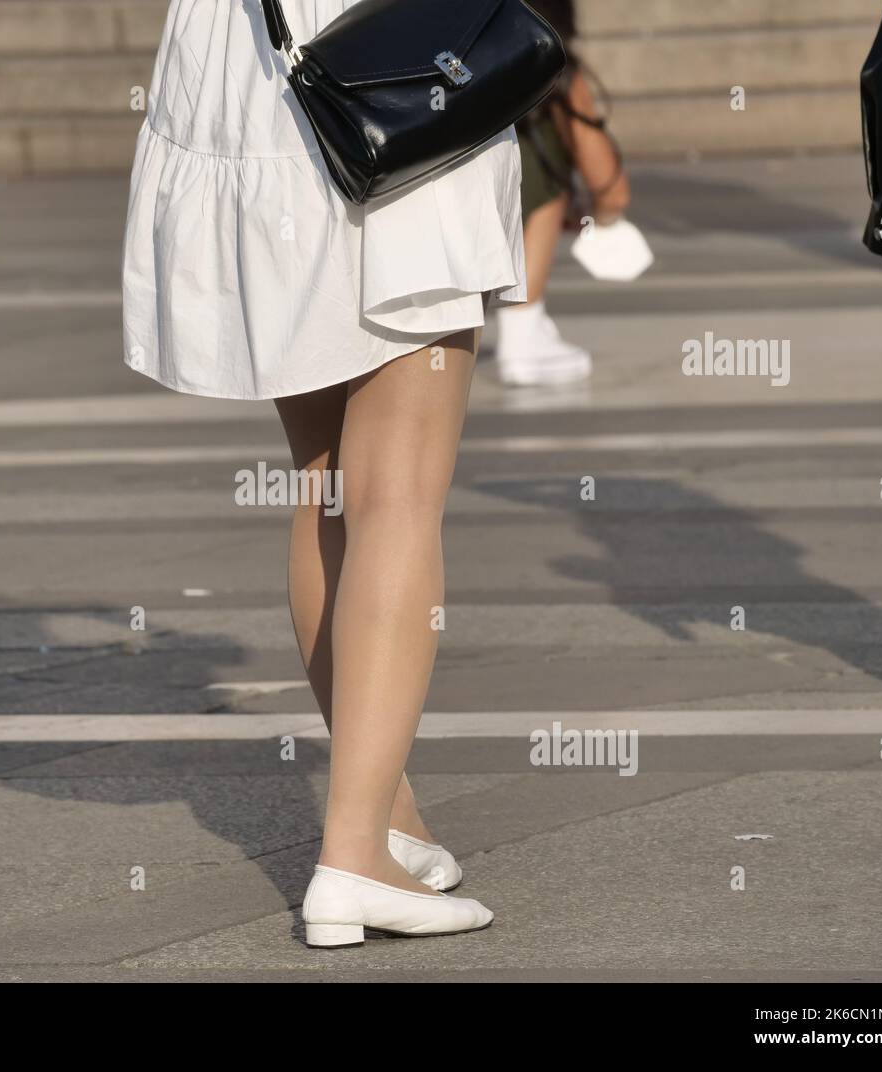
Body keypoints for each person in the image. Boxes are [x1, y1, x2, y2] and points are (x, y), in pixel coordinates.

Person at [120, 1, 529, 946]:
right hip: (396, 67)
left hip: (254, 81)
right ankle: (351, 858)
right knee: (397, 494)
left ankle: (386, 818)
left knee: (327, 481)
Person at [492, 0, 631, 387]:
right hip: (496, 213)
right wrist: (599, 215)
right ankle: (523, 325)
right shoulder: (547, 59)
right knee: (540, 151)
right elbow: (610, 187)